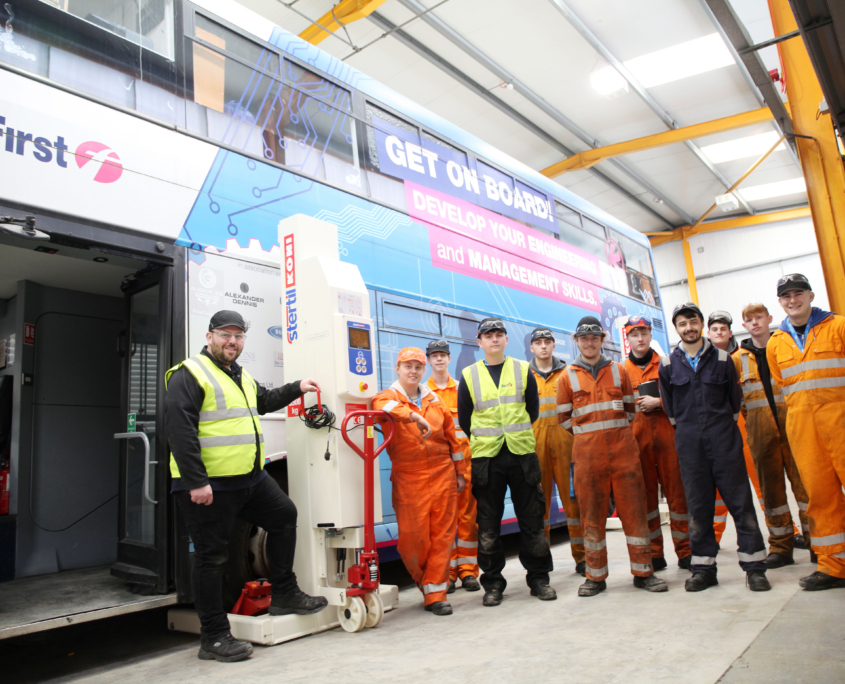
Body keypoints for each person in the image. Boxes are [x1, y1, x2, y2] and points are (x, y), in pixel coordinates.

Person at [164, 311, 327, 663]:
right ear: (210, 336)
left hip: (249, 479)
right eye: (225, 335)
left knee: (284, 516)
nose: (232, 342)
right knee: (211, 557)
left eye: (238, 336)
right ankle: (213, 637)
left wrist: (297, 387)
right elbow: (180, 432)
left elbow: (263, 401)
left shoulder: (239, 374)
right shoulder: (189, 374)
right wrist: (196, 482)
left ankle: (284, 593)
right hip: (210, 485)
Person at [658, 303, 770, 592]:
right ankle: (704, 570)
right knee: (699, 510)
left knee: (742, 506)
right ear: (676, 328)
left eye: (693, 321)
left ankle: (755, 569)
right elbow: (671, 410)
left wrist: (718, 430)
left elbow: (734, 403)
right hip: (690, 448)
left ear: (701, 324)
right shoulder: (668, 365)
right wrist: (692, 431)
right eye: (682, 324)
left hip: (725, 444)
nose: (689, 328)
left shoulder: (723, 359)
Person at [556, 316, 668, 597]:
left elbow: (630, 411)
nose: (589, 343)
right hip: (587, 458)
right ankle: (595, 577)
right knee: (591, 516)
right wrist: (589, 436)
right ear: (577, 342)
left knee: (634, 512)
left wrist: (611, 434)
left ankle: (644, 572)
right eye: (584, 339)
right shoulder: (567, 377)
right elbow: (563, 418)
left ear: (602, 341)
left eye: (594, 338)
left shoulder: (619, 371)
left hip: (623, 455)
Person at [457, 317, 555, 606]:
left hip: (521, 455)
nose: (494, 339)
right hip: (487, 459)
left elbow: (532, 410)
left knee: (532, 521)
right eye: (488, 335)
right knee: (488, 526)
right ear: (480, 342)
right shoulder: (469, 375)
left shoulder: (523, 370)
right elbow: (465, 419)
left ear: (506, 340)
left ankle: (539, 579)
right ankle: (493, 585)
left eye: (499, 334)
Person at [373, 347, 466, 615]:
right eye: (407, 366)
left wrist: (460, 472)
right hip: (409, 477)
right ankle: (425, 581)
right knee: (412, 540)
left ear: (423, 370)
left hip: (443, 474)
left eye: (417, 367)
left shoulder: (435, 401)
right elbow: (379, 405)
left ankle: (435, 593)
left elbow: (452, 439)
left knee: (442, 536)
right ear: (397, 369)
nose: (413, 371)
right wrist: (413, 415)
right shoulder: (387, 397)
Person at [767, 274, 845, 591]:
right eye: (786, 296)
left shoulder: (838, 326)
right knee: (820, 498)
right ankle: (833, 566)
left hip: (840, 423)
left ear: (811, 295)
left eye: (798, 293)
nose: (792, 300)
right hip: (803, 430)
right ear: (780, 302)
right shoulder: (775, 343)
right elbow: (783, 385)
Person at [737, 303, 811, 569]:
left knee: (806, 489)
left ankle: (818, 543)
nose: (755, 323)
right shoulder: (737, 360)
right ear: (744, 326)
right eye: (749, 320)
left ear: (769, 318)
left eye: (759, 317)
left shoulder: (784, 347)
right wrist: (756, 424)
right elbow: (740, 401)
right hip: (761, 435)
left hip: (794, 429)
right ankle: (781, 548)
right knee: (772, 495)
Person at [623, 314, 692, 571]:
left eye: (644, 333)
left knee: (678, 497)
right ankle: (655, 554)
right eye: (634, 334)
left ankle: (686, 551)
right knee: (646, 501)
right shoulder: (621, 371)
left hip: (669, 441)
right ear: (628, 339)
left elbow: (683, 399)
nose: (640, 338)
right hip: (637, 444)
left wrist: (660, 402)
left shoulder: (669, 364)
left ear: (651, 335)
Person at [528, 327, 586, 576]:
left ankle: (583, 558)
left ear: (554, 345)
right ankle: (542, 562)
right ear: (531, 347)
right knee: (538, 507)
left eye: (547, 342)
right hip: (535, 448)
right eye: (538, 342)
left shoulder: (569, 373)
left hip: (567, 447)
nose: (543, 346)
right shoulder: (524, 376)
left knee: (574, 505)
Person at [425, 340, 481, 593]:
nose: (439, 359)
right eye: (434, 356)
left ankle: (468, 571)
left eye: (443, 355)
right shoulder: (422, 393)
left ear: (449, 359)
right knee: (442, 521)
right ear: (429, 360)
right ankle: (446, 572)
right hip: (438, 465)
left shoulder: (462, 389)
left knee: (468, 517)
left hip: (466, 463)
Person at [707, 311, 766, 544]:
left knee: (761, 480)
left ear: (731, 332)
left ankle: (786, 531)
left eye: (723, 328)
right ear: (708, 333)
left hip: (747, 425)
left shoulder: (743, 356)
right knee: (718, 488)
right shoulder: (703, 361)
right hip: (719, 429)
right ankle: (712, 537)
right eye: (715, 329)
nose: (719, 332)